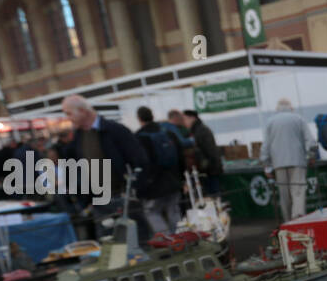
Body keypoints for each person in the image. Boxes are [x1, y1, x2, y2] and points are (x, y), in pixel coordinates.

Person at [60, 94, 152, 238]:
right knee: (110, 245)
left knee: (138, 240)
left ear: (83, 111)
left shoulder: (114, 130)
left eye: (69, 113)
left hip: (122, 197)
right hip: (99, 201)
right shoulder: (78, 137)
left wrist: (134, 189)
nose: (68, 118)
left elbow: (139, 160)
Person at [135, 105, 185, 233]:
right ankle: (182, 239)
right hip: (173, 180)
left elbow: (140, 163)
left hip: (154, 184)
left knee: (152, 212)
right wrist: (182, 178)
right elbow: (181, 155)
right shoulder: (167, 132)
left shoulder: (139, 137)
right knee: (174, 210)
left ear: (139, 118)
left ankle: (168, 242)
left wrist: (141, 186)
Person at [263, 98, 310, 221]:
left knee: (284, 196)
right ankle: (299, 220)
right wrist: (311, 155)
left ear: (277, 108)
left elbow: (266, 146)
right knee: (298, 192)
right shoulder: (299, 119)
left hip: (278, 164)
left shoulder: (270, 122)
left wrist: (267, 164)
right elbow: (310, 141)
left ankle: (288, 222)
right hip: (298, 161)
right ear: (291, 107)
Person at [182, 109, 223, 194]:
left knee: (213, 196)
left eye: (185, 119)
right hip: (204, 171)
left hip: (209, 171)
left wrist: (209, 166)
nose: (184, 122)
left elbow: (211, 151)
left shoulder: (202, 131)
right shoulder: (195, 131)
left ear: (192, 118)